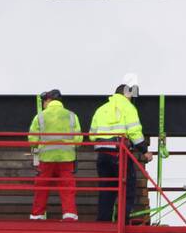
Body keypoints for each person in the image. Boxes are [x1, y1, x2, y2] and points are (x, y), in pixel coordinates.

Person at [90, 83, 153, 223]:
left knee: (106, 189)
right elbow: (134, 132)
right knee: (127, 188)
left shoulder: (101, 109)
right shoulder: (128, 107)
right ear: (126, 94)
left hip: (103, 154)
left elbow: (92, 135)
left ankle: (103, 221)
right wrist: (145, 151)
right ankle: (122, 221)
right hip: (120, 155)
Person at [27, 89, 82, 220]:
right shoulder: (71, 116)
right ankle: (69, 214)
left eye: (44, 101)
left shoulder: (40, 116)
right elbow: (78, 140)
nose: (43, 104)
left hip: (46, 159)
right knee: (67, 187)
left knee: (42, 187)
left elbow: (32, 140)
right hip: (66, 159)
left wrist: (38, 145)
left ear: (48, 100)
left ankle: (37, 214)